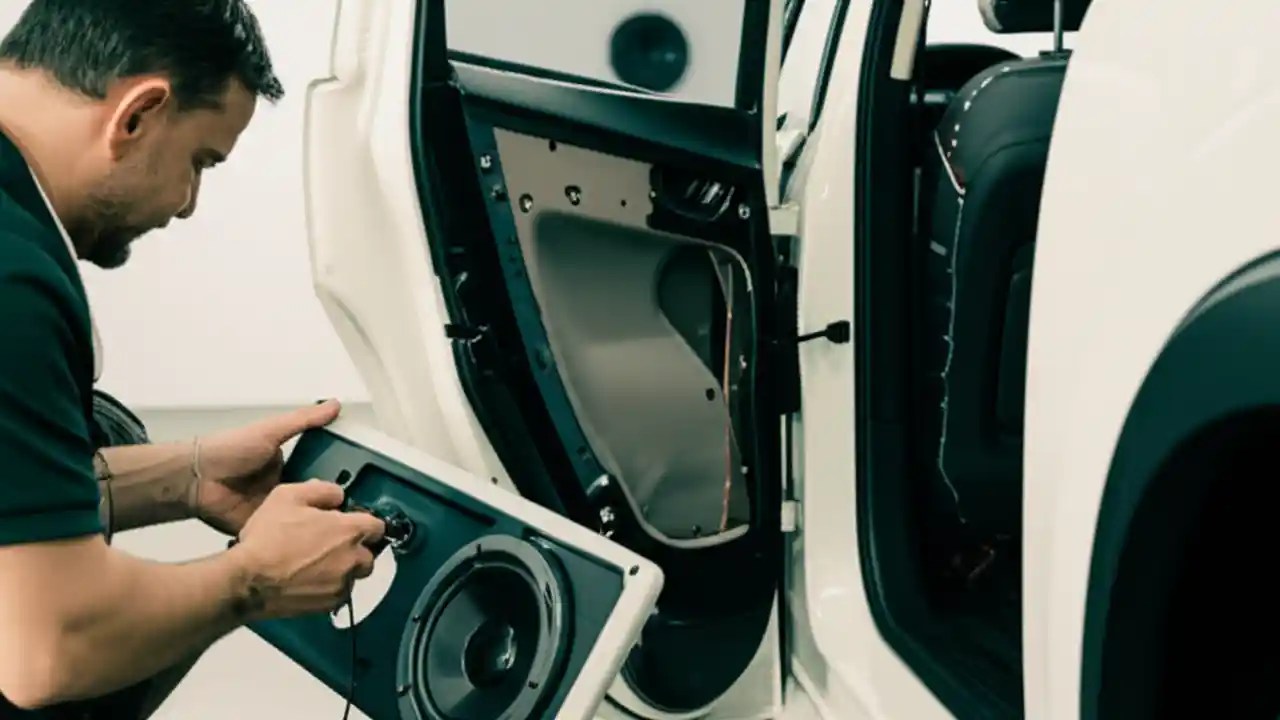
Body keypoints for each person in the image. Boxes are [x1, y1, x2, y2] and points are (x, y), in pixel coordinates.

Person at [0, 1, 387, 717]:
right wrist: (255, 579)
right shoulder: (15, 284)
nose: (185, 204)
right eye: (200, 162)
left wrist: (191, 474)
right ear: (139, 115)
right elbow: (48, 649)